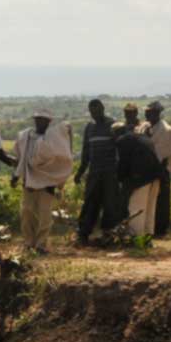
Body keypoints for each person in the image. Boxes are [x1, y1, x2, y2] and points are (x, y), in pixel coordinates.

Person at [13, 109, 72, 253]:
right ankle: (28, 242)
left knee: (44, 216)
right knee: (27, 213)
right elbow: (21, 159)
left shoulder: (53, 139)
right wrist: (16, 175)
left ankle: (40, 244)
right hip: (29, 182)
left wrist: (55, 179)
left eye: (43, 120)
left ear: (48, 122)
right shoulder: (26, 137)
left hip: (47, 183)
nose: (39, 122)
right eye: (37, 119)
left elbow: (61, 159)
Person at [74, 99, 121, 245]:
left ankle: (108, 235)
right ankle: (83, 234)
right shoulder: (89, 128)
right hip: (94, 172)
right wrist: (79, 172)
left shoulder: (113, 125)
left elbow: (120, 149)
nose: (94, 113)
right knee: (90, 203)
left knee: (110, 204)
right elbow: (85, 153)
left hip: (110, 172)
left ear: (103, 108)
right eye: (92, 111)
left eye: (97, 110)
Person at [114, 107, 166, 240]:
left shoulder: (122, 141)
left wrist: (124, 184)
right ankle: (147, 238)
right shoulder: (141, 137)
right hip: (156, 176)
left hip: (142, 178)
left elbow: (123, 165)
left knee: (136, 208)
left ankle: (136, 239)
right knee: (149, 209)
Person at [143, 101, 171, 238]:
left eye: (149, 112)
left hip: (162, 170)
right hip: (148, 169)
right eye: (146, 112)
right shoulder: (146, 127)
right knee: (149, 200)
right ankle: (149, 229)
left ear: (157, 113)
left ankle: (161, 230)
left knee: (161, 201)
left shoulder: (166, 130)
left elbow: (164, 155)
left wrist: (160, 172)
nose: (147, 114)